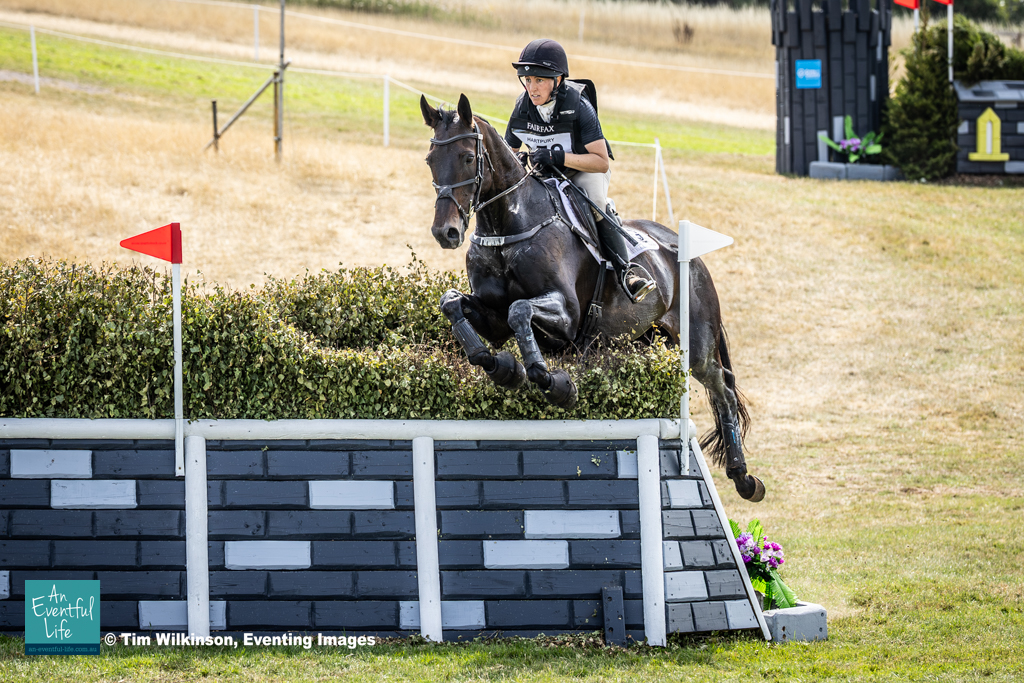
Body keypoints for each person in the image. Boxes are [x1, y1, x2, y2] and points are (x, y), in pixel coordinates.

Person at [505, 38, 657, 304]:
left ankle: (627, 272)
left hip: (585, 170)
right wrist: (520, 158)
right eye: (527, 80)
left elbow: (601, 162)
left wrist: (557, 155)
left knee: (595, 201)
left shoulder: (579, 106)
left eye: (539, 80)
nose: (532, 87)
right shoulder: (522, 106)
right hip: (547, 173)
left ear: (558, 80)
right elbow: (509, 151)